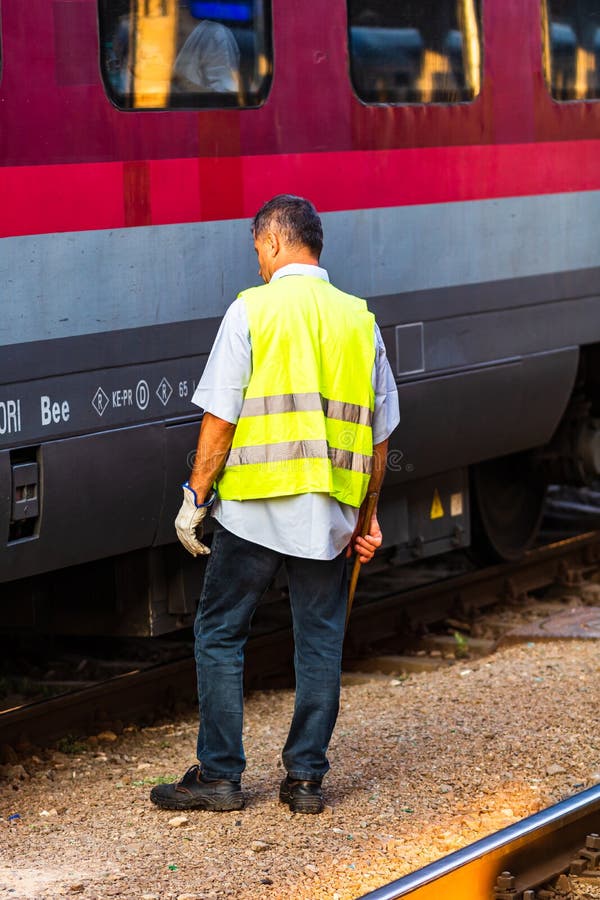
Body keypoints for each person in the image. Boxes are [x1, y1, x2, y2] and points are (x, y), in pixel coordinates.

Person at [150, 195, 400, 815]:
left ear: (272, 243)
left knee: (219, 632)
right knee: (319, 640)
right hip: (329, 520)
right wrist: (366, 520)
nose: (258, 263)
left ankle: (219, 775)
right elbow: (380, 433)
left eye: (257, 251)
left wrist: (194, 497)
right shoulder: (357, 319)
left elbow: (220, 418)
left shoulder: (251, 311)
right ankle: (306, 780)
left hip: (255, 512)